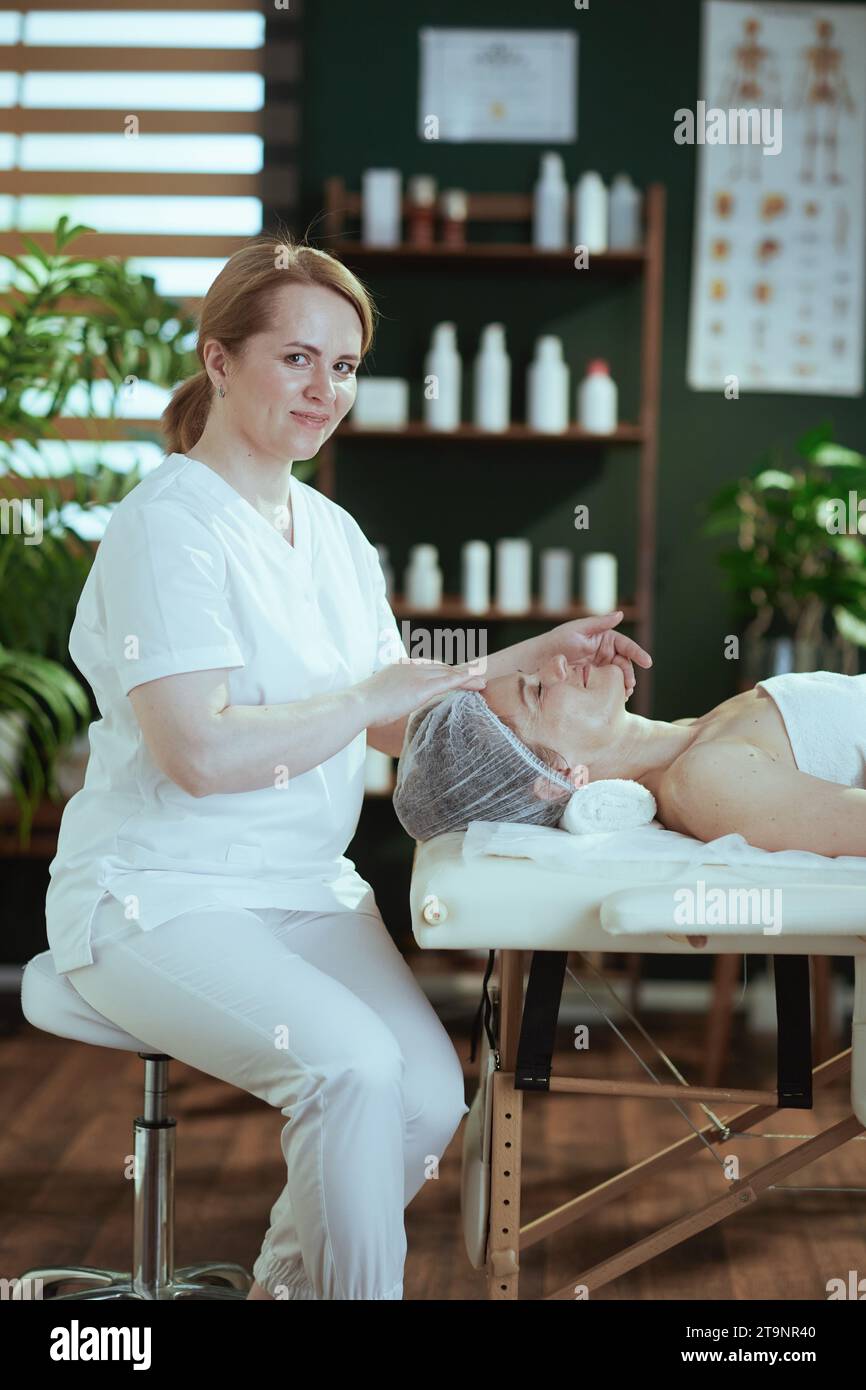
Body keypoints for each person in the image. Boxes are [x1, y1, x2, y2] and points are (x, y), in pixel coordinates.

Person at [44, 232, 652, 1301]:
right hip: (156, 894)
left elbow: (386, 715)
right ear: (220, 360)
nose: (325, 389)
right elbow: (202, 752)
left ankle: (284, 1289)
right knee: (350, 1069)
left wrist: (534, 663)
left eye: (346, 365)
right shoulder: (166, 529)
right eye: (296, 358)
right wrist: (381, 691)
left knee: (424, 1096)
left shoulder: (328, 531)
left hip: (303, 887)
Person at [392, 652, 866, 859]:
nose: (556, 664)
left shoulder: (691, 736)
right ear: (556, 776)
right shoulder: (704, 779)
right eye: (537, 691)